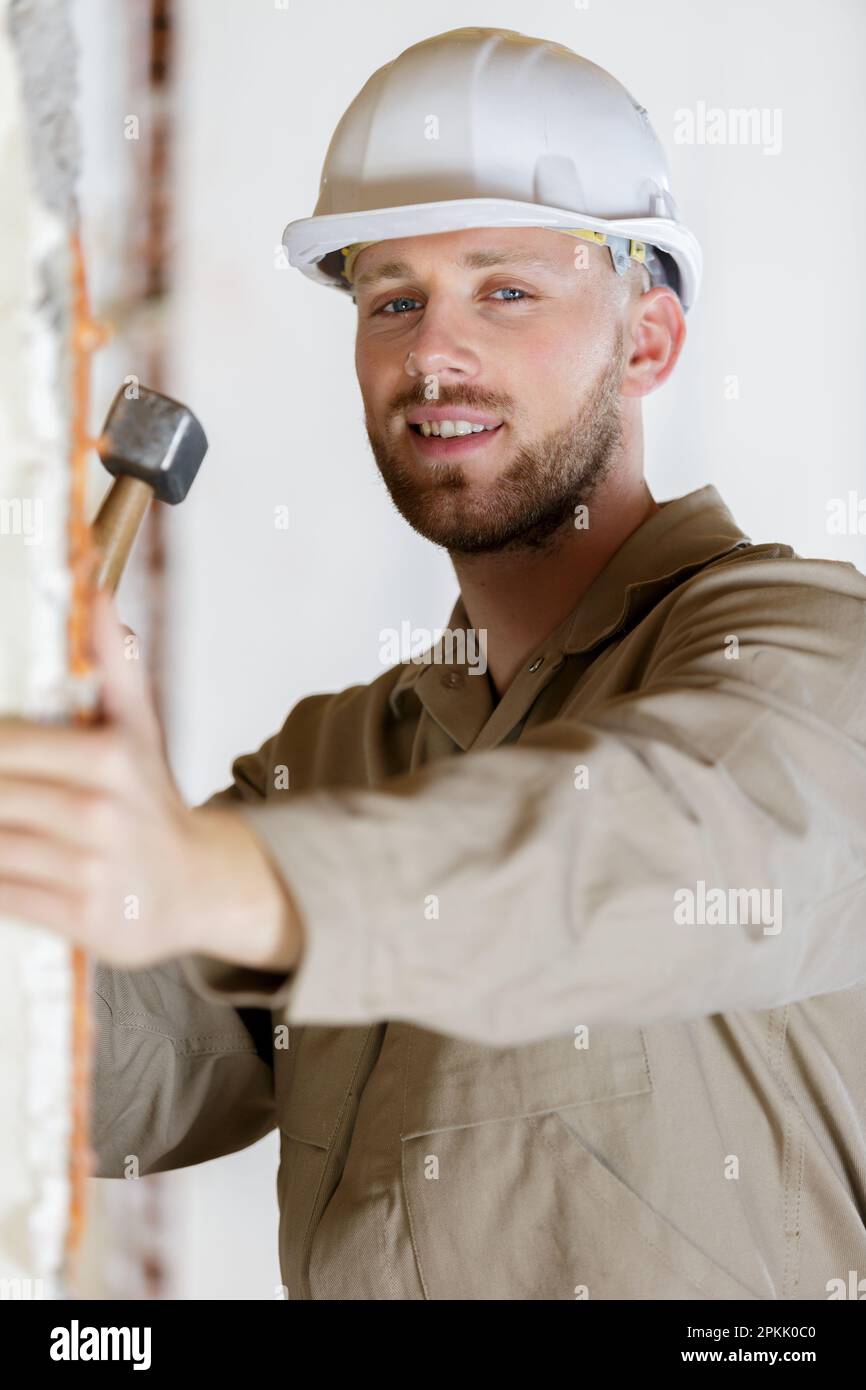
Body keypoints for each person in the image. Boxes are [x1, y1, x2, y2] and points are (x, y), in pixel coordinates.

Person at [2, 27, 865, 1301]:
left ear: (646, 342)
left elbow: (658, 845)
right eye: (391, 298)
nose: (430, 354)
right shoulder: (334, 764)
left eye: (502, 290)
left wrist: (209, 874)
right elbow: (106, 1088)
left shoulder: (804, 653)